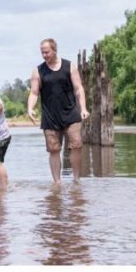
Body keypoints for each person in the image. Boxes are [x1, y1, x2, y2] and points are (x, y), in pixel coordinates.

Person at [27, 38, 88, 183]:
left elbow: (79, 88)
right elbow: (34, 93)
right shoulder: (38, 71)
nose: (44, 55)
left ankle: (76, 179)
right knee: (54, 150)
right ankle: (57, 183)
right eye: (42, 53)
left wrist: (83, 108)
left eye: (47, 52)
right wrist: (30, 108)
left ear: (55, 50)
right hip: (50, 117)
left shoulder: (70, 66)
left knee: (76, 145)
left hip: (71, 114)